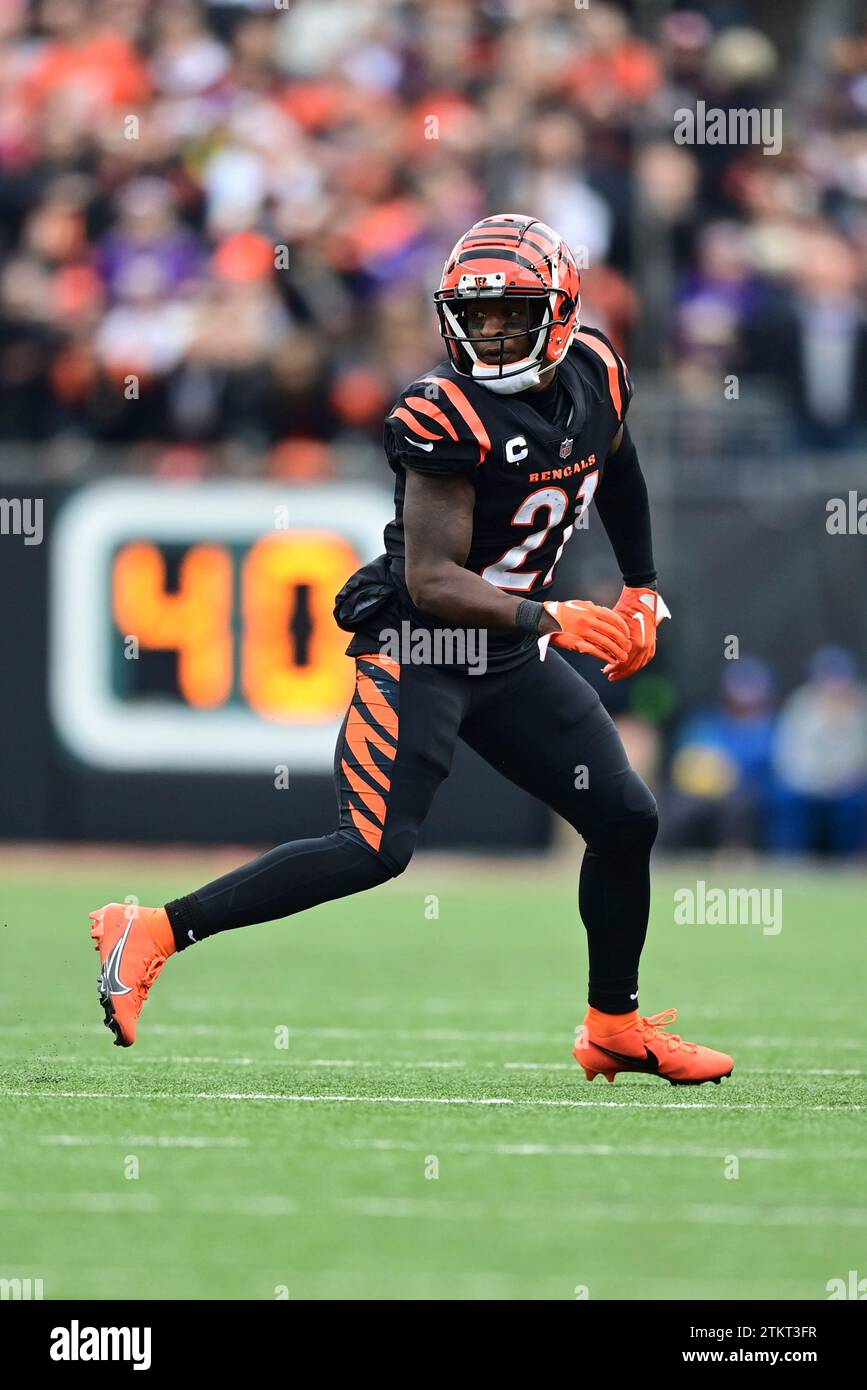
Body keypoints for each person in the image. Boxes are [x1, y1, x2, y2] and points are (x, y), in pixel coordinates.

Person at [88, 214, 734, 1086]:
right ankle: (155, 928)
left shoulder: (597, 372)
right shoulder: (441, 410)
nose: (490, 331)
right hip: (423, 643)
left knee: (625, 818)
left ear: (562, 308)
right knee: (371, 848)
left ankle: (612, 1026)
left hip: (504, 654)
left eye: (511, 312)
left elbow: (615, 466)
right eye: (476, 315)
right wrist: (552, 618)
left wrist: (642, 586)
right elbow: (431, 579)